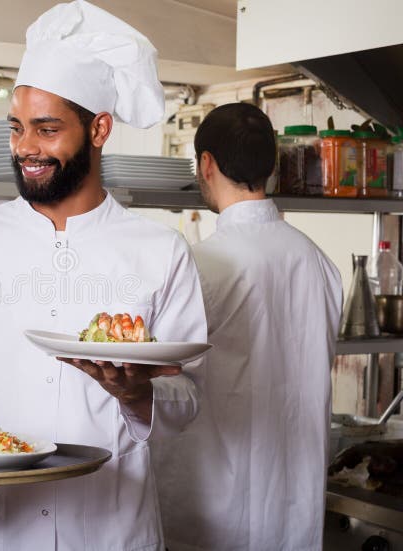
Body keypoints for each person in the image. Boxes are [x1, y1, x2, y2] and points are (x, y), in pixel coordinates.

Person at [0, 1, 208, 549]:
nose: (26, 147)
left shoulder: (159, 250)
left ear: (99, 128)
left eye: (46, 129)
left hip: (111, 528)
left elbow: (190, 398)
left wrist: (137, 396)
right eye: (17, 128)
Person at [152, 103, 342, 550]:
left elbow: (171, 391)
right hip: (294, 511)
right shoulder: (319, 263)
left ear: (206, 164)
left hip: (213, 515)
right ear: (270, 167)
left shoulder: (199, 266)